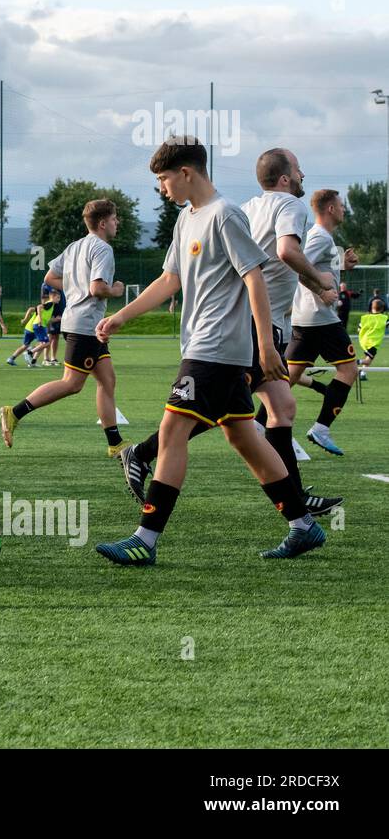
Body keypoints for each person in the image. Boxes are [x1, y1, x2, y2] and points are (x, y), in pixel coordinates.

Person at [93, 137, 326, 565]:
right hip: (207, 346)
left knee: (172, 432)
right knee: (243, 435)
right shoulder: (188, 219)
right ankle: (302, 524)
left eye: (164, 179)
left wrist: (264, 346)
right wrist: (122, 317)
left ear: (186, 173)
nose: (162, 188)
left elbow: (254, 278)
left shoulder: (226, 215)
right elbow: (169, 281)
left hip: (216, 347)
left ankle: (145, 538)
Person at [0, 199, 127, 456]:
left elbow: (49, 277)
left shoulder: (75, 246)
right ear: (103, 223)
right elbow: (97, 288)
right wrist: (116, 289)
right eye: (114, 219)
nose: (117, 223)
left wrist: (72, 288)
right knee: (72, 383)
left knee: (107, 380)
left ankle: (114, 443)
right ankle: (15, 412)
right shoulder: (102, 249)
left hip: (80, 322)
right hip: (86, 324)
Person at [286, 190, 360, 455]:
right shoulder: (318, 236)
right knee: (348, 370)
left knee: (289, 377)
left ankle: (260, 424)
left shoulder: (325, 237)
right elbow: (298, 266)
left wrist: (343, 264)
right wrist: (321, 292)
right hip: (320, 319)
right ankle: (321, 428)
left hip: (307, 318)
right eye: (341, 205)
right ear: (330, 208)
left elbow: (318, 267)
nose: (344, 210)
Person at [5, 291, 56, 366]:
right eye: (43, 299)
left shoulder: (45, 308)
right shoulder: (45, 306)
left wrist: (25, 320)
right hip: (35, 327)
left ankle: (12, 358)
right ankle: (30, 354)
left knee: (26, 345)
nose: (43, 301)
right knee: (43, 343)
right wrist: (26, 319)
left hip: (29, 327)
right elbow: (31, 309)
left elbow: (31, 310)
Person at [358, 298, 386, 375]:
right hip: (373, 343)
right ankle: (355, 362)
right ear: (382, 309)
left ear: (371, 308)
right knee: (368, 360)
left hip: (363, 341)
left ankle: (363, 373)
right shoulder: (383, 318)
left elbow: (358, 329)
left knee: (367, 357)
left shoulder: (365, 317)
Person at [45, 281, 66, 365]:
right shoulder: (48, 285)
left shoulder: (64, 286)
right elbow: (43, 303)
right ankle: (46, 358)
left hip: (60, 316)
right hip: (52, 317)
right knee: (49, 337)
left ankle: (53, 358)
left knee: (56, 337)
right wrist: (50, 317)